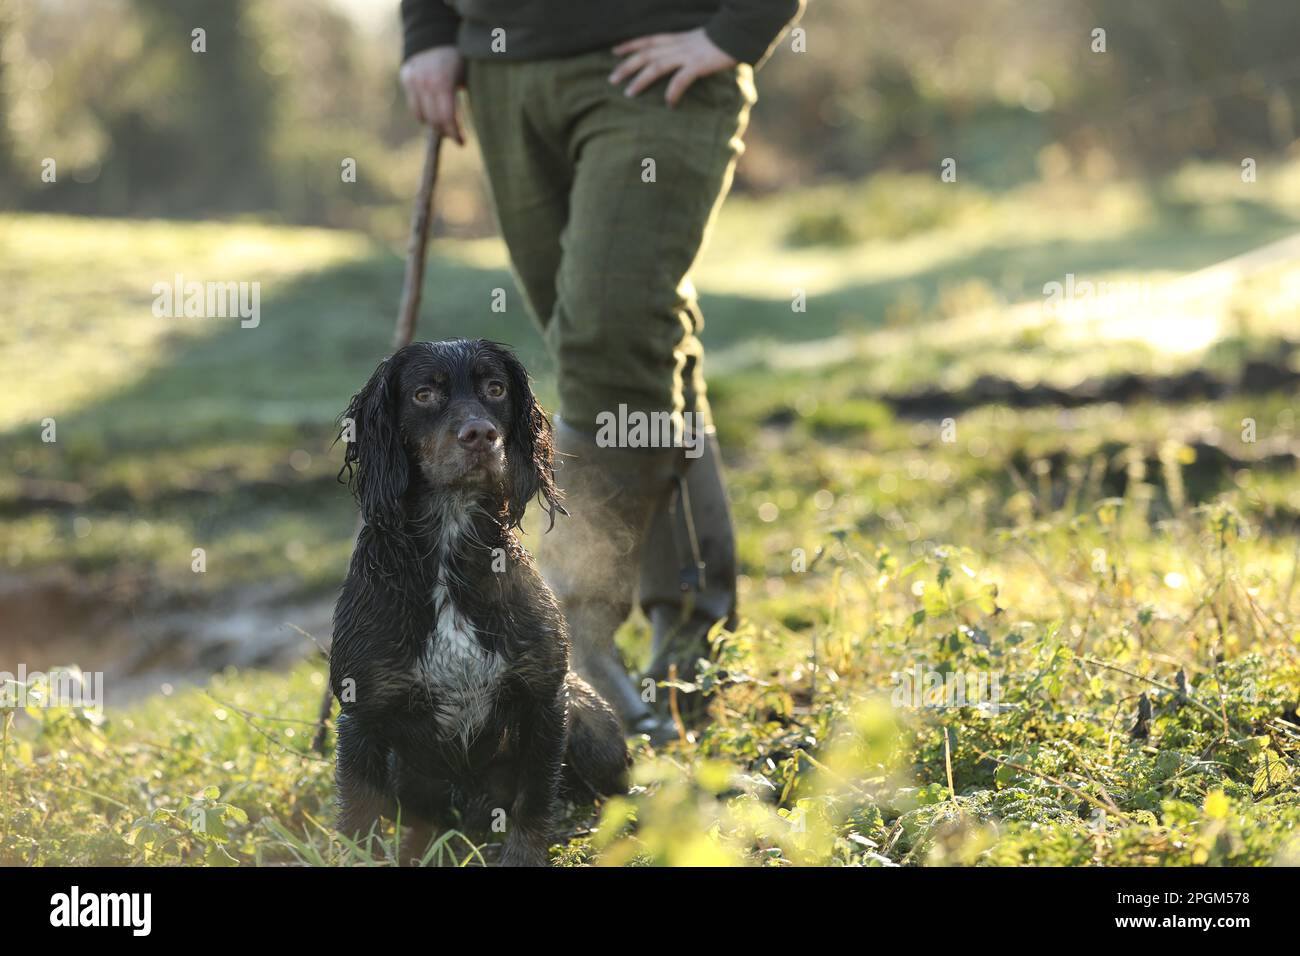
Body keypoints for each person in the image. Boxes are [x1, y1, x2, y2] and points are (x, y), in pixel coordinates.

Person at [398, 0, 804, 737]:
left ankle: (577, 642)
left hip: (653, 62)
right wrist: (427, 30)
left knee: (605, 340)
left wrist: (736, 29)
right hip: (501, 71)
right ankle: (696, 645)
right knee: (622, 346)